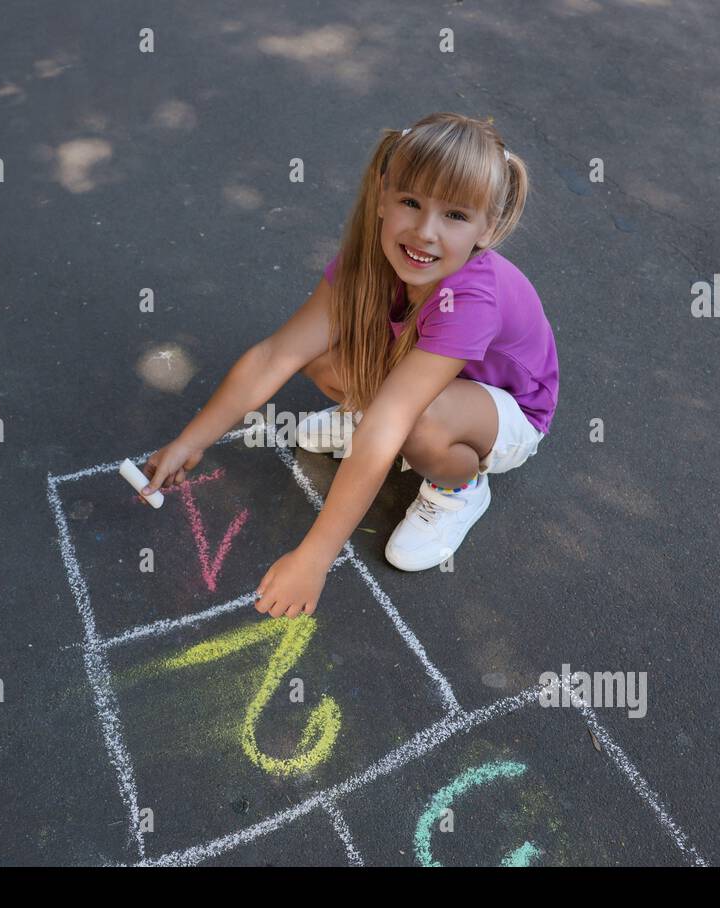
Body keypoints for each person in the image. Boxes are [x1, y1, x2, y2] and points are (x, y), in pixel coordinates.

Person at [140, 112, 559, 619]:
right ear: (383, 195)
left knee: (416, 422)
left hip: (505, 415)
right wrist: (191, 441)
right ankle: (376, 431)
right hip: (429, 384)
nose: (425, 232)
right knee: (321, 356)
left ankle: (459, 488)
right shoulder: (370, 259)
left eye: (455, 216)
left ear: (486, 229)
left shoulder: (471, 298)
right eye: (411, 202)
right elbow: (277, 354)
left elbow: (391, 420)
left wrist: (313, 558)